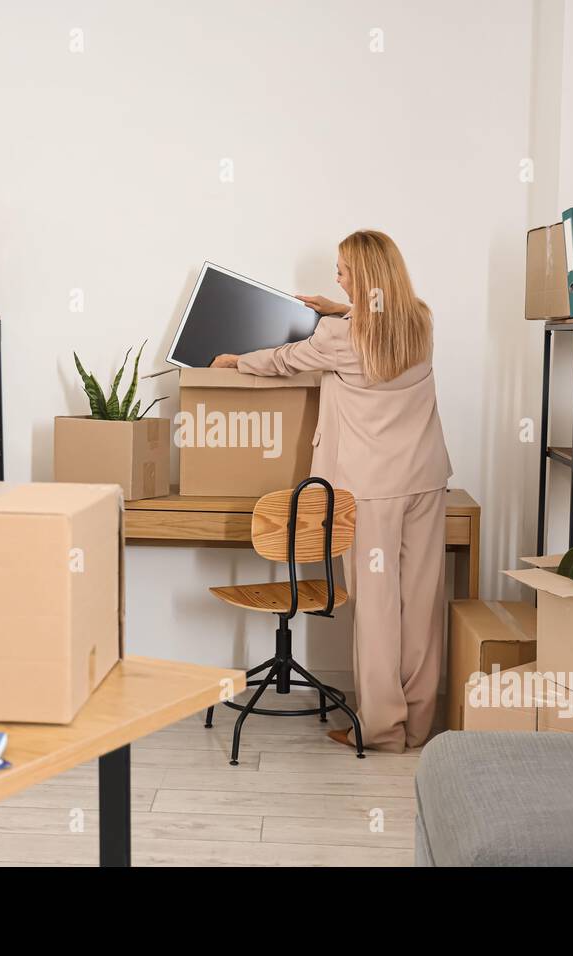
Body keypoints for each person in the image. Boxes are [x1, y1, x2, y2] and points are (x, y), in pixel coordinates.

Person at [211, 230, 452, 753]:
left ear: (363, 279)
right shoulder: (421, 321)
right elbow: (381, 319)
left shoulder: (337, 336)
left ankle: (383, 731)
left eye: (342, 270)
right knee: (421, 604)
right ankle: (417, 725)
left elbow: (285, 359)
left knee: (377, 609)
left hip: (371, 490)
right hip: (427, 481)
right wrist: (343, 306)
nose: (335, 276)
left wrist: (236, 362)